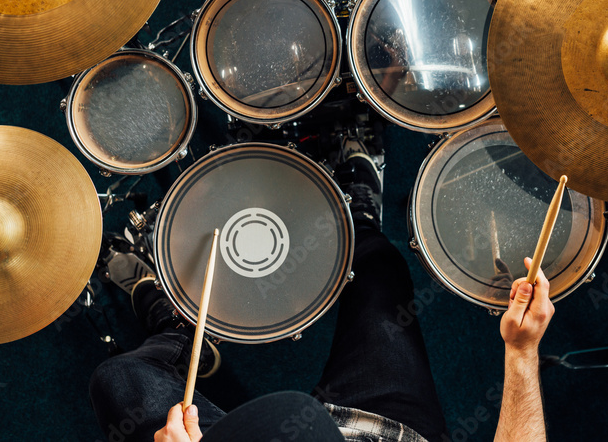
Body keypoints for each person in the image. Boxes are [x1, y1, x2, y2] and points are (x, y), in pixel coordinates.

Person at [90, 144, 554, 442]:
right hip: (388, 432)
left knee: (120, 379)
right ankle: (360, 217)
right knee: (381, 275)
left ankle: (176, 328)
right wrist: (521, 350)